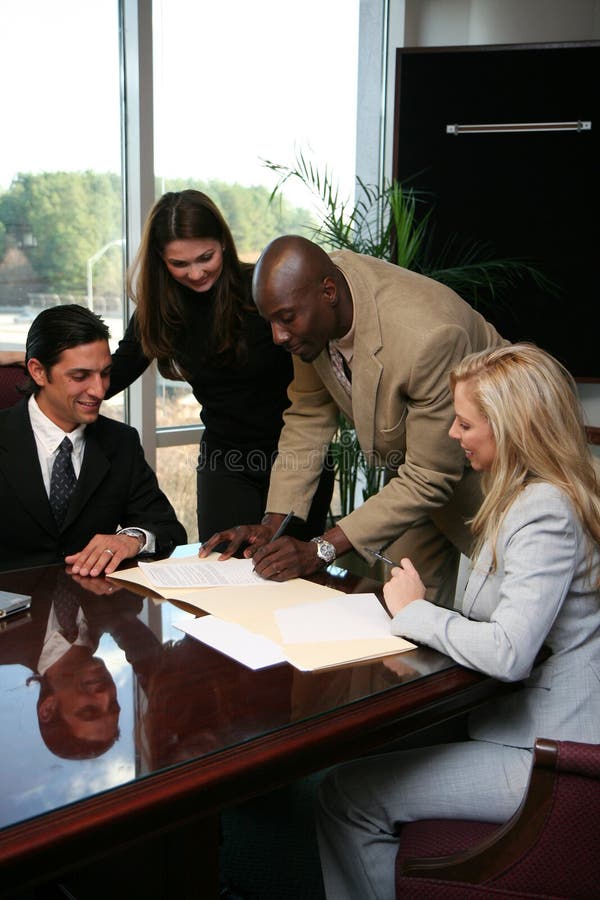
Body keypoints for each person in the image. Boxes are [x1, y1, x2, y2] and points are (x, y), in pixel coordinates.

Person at [316, 343, 600, 900]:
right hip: (519, 728)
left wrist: (415, 612)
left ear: (512, 428)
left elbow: (509, 652)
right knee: (369, 752)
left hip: (552, 760)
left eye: (465, 422)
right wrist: (422, 605)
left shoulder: (545, 511)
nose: (452, 434)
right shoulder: (526, 497)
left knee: (345, 795)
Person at [201, 235, 506, 607]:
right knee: (396, 614)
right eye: (271, 322)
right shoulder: (307, 309)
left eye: (285, 319)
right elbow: (308, 416)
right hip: (416, 481)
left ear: (328, 292)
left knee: (540, 623)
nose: (278, 336)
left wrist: (320, 549)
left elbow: (429, 477)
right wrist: (271, 524)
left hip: (502, 474)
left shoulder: (427, 338)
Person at [106, 190, 334, 542]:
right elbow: (111, 373)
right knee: (223, 569)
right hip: (224, 462)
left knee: (293, 575)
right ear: (160, 260)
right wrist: (38, 370)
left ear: (223, 244)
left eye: (205, 257)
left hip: (295, 457)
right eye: (179, 264)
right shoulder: (159, 310)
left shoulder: (263, 290)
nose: (196, 273)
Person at [0, 304, 186, 573]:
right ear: (38, 371)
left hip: (98, 607)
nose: (99, 390)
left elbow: (168, 530)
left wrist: (132, 539)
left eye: (106, 373)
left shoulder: (121, 442)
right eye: (80, 376)